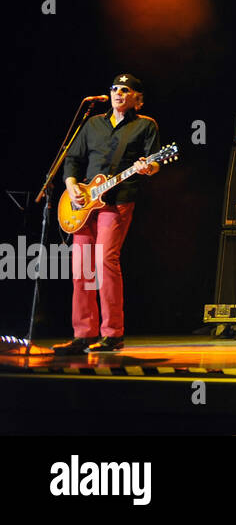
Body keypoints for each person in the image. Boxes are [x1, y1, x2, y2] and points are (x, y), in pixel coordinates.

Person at [54, 74, 162, 353]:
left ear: (136, 98)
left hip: (118, 201)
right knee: (81, 269)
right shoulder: (92, 123)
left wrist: (147, 167)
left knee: (104, 261)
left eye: (124, 90)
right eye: (114, 89)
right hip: (83, 203)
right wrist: (72, 186)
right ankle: (84, 334)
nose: (117, 93)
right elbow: (72, 160)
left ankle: (113, 333)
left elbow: (154, 164)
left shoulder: (145, 126)